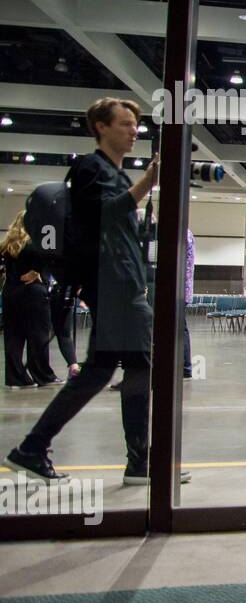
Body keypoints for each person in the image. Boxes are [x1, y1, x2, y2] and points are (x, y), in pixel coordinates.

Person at [4, 97, 191, 485]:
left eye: (135, 124)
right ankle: (138, 464)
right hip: (114, 286)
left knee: (100, 371)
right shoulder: (90, 168)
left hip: (118, 283)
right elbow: (109, 213)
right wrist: (150, 180)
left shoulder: (113, 173)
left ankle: (34, 448)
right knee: (138, 366)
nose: (133, 131)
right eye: (124, 123)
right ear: (101, 127)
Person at [2, 211, 60, 388]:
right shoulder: (36, 243)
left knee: (13, 337)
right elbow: (51, 260)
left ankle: (16, 378)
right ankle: (43, 375)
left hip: (10, 293)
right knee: (38, 335)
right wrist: (37, 273)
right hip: (33, 294)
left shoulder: (6, 245)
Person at [183, 227, 195, 378]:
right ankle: (185, 367)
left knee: (180, 329)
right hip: (182, 290)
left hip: (179, 290)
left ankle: (185, 367)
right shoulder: (187, 233)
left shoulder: (183, 234)